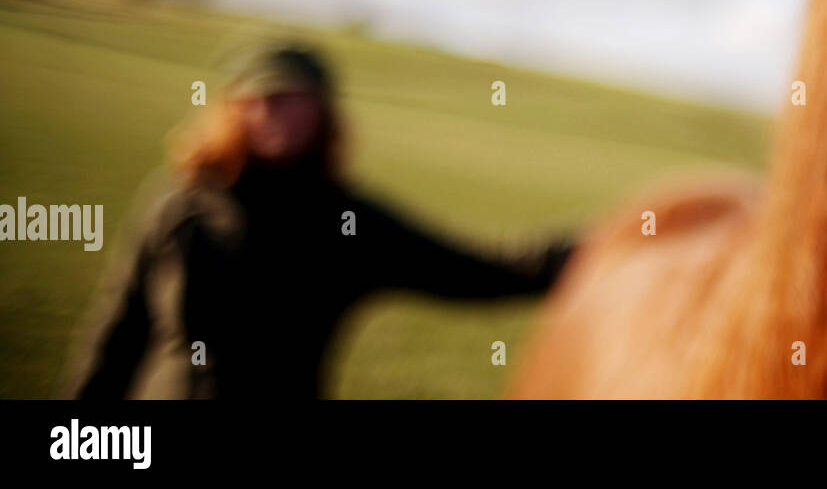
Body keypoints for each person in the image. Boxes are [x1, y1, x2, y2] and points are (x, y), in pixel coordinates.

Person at [67, 42, 572, 398]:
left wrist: (624, 239)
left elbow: (480, 269)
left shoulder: (347, 223)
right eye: (262, 99)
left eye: (295, 100)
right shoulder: (179, 205)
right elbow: (118, 331)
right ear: (233, 109)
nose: (276, 114)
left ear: (324, 115)